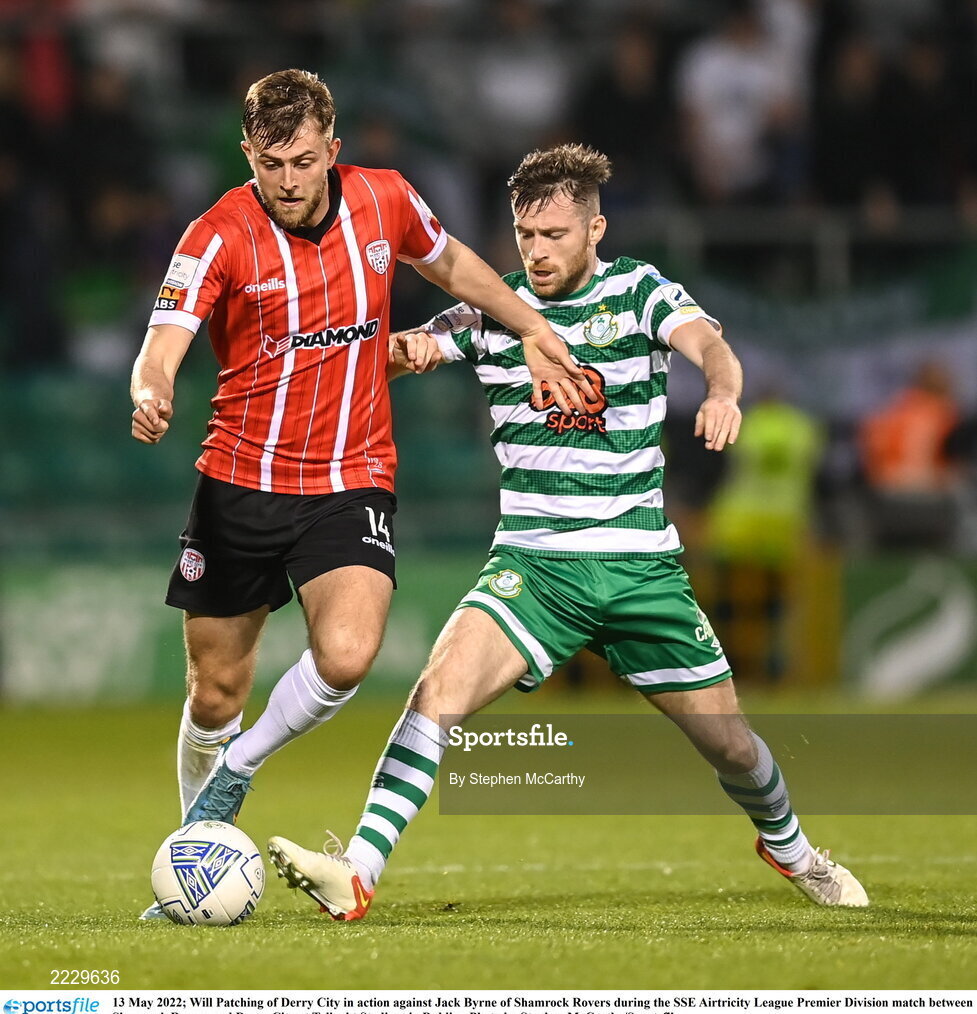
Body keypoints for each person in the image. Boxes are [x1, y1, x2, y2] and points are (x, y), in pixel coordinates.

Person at [266, 143, 869, 919]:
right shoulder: (492, 313)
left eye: (554, 235)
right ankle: (358, 871)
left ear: (594, 230)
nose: (537, 251)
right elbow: (397, 353)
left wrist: (721, 392)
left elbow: (711, 346)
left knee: (730, 745)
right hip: (534, 567)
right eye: (525, 235)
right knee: (436, 694)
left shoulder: (640, 292)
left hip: (638, 568)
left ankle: (790, 848)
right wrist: (399, 351)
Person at [130, 70, 589, 920]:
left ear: (332, 150)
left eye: (304, 160)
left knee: (347, 655)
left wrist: (530, 324)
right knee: (215, 692)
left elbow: (450, 264)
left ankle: (235, 777)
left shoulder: (385, 201)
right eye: (272, 164)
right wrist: (151, 386)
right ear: (248, 157)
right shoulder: (217, 233)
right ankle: (197, 840)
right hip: (240, 482)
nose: (290, 180)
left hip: (350, 478)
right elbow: (166, 336)